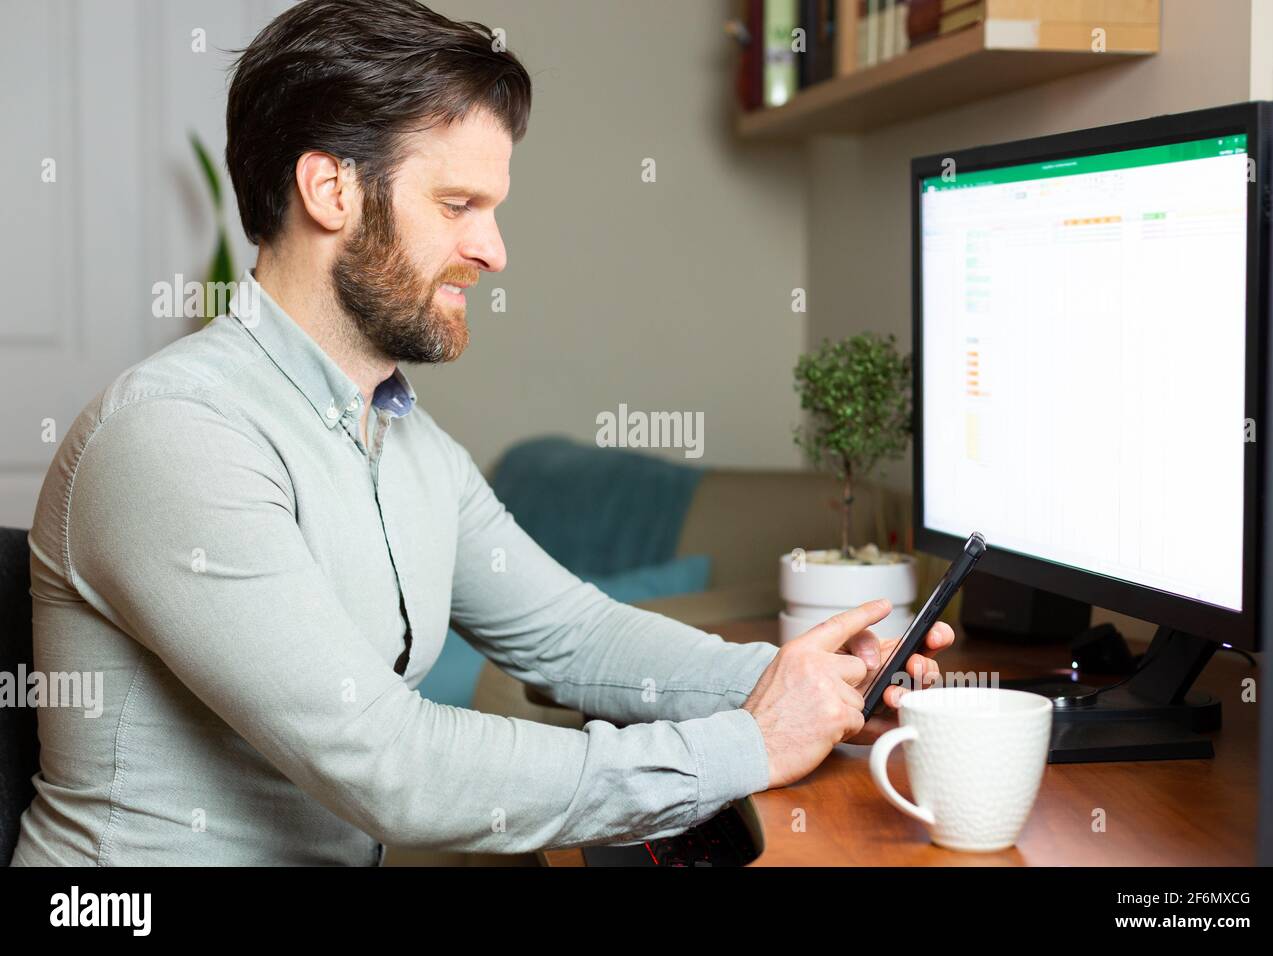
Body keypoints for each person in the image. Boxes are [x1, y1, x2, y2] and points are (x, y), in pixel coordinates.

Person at [11, 0, 952, 866]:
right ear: (330, 190)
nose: (494, 251)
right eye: (459, 206)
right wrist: (746, 744)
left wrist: (814, 683)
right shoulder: (175, 437)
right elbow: (390, 763)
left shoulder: (409, 445)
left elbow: (571, 637)